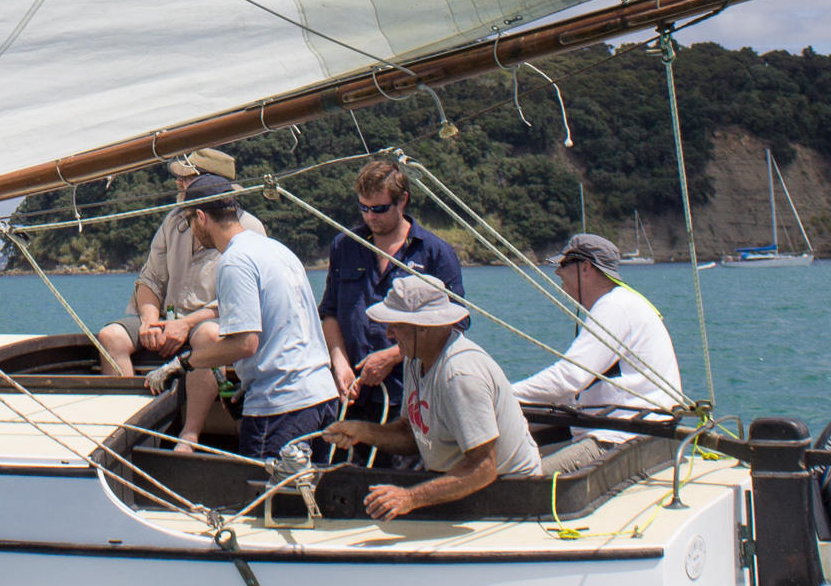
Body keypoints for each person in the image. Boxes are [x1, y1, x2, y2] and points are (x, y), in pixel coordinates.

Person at [145, 175, 337, 457]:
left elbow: (245, 344)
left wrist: (183, 363)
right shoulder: (277, 250)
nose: (191, 230)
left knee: (268, 498)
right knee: (308, 497)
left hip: (280, 406)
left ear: (201, 217)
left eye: (188, 223)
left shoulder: (234, 262)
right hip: (321, 396)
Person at [326, 273, 541, 519]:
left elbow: (482, 467)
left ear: (424, 329)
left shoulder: (460, 375)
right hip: (460, 487)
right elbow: (411, 434)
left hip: (510, 496)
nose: (389, 334)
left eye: (396, 325)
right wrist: (361, 432)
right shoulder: (414, 358)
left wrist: (410, 498)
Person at [513, 233, 682, 475]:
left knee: (522, 478)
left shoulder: (614, 307)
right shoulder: (623, 303)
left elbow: (569, 378)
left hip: (618, 439)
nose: (557, 273)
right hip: (641, 435)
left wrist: (503, 396)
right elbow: (576, 388)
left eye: (563, 265)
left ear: (585, 268)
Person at [317, 158, 462, 426]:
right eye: (364, 208)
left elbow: (456, 323)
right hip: (351, 394)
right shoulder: (344, 246)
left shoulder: (435, 253)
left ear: (402, 200)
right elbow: (330, 313)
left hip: (412, 394)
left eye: (380, 209)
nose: (371, 217)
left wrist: (392, 356)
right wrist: (340, 363)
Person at [92, 149, 239, 378]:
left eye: (187, 177)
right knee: (111, 337)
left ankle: (195, 416)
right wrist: (149, 323)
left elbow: (235, 300)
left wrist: (187, 324)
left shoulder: (244, 228)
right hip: (167, 319)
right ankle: (134, 410)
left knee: (209, 337)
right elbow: (150, 279)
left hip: (209, 323)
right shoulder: (173, 221)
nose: (178, 182)